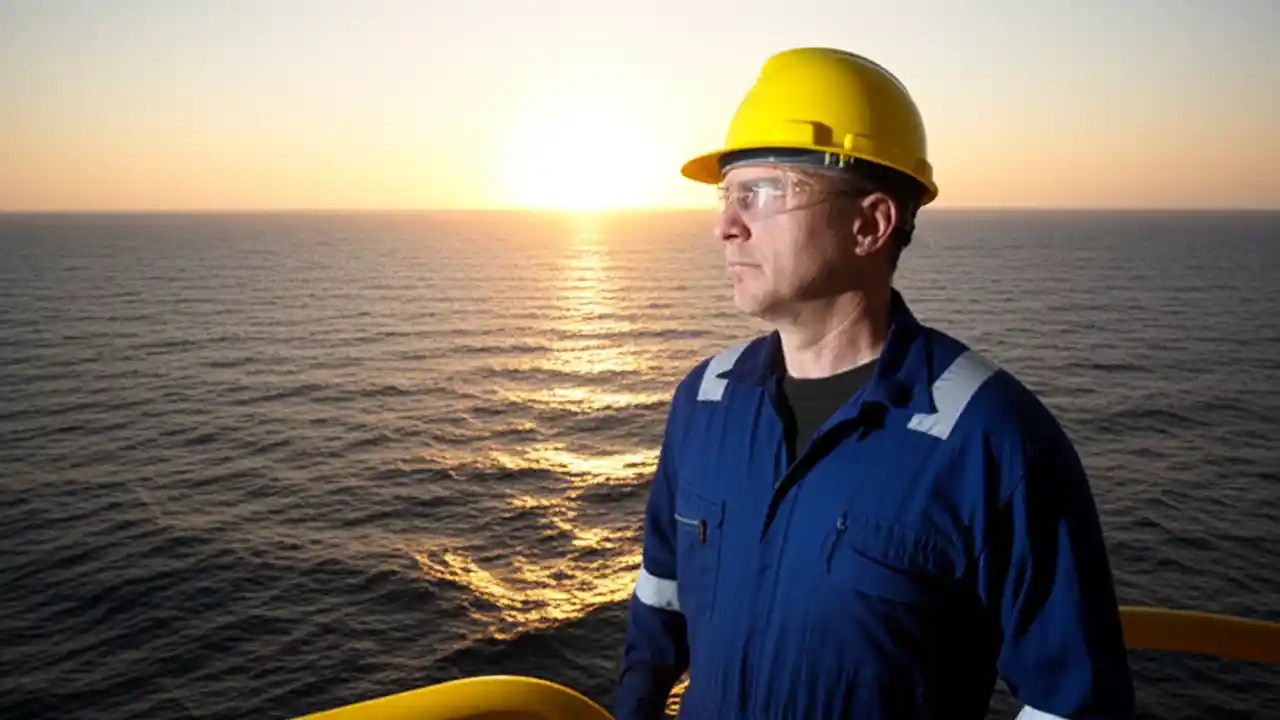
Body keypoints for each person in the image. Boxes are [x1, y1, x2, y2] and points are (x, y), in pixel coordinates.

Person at [614, 48, 1134, 719]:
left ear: (871, 223)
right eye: (727, 193)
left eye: (761, 192)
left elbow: (1077, 702)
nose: (725, 223)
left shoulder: (991, 441)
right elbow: (661, 597)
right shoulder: (704, 402)